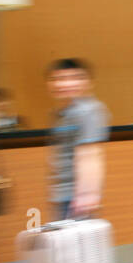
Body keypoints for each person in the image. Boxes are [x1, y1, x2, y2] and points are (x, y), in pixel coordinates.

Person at [46, 58, 109, 222]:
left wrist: (88, 195)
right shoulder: (60, 114)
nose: (66, 84)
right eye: (58, 79)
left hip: (77, 198)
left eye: (74, 78)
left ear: (88, 82)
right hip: (61, 194)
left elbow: (91, 154)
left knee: (78, 246)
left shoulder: (89, 111)